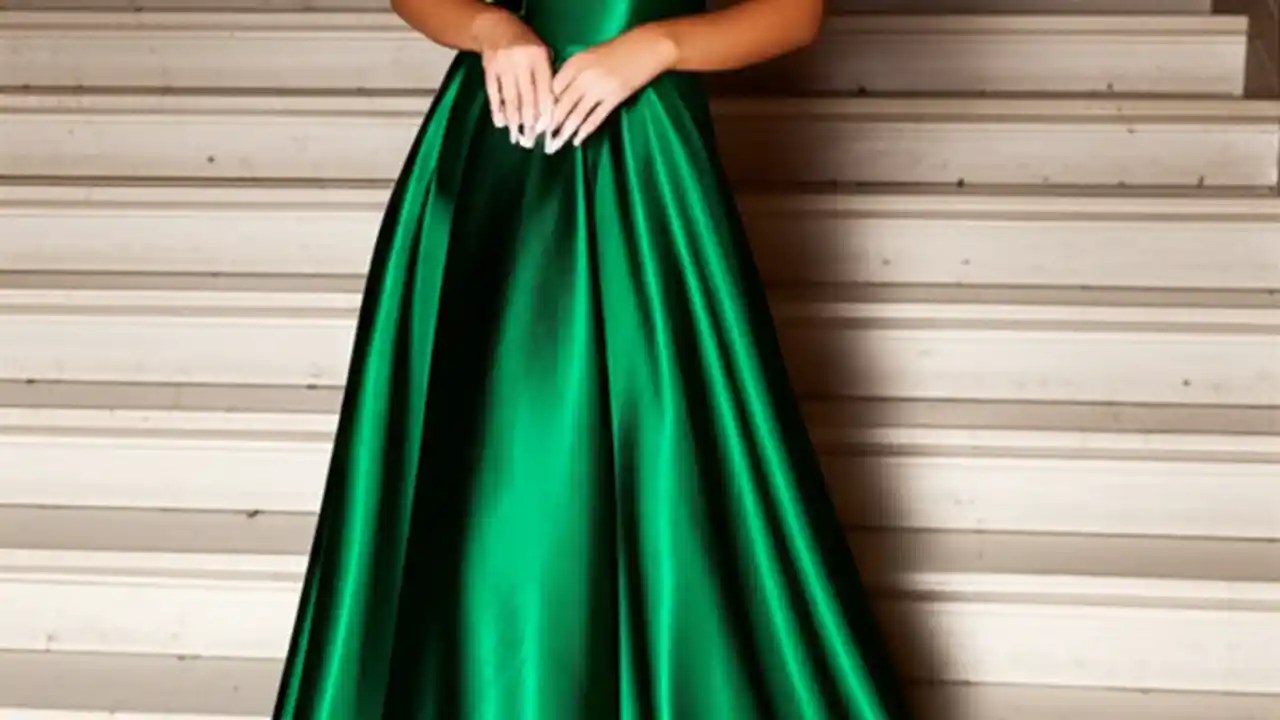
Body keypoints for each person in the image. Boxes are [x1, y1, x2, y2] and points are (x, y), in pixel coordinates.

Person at [272, 0, 913, 717]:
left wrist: (657, 46)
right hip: (505, 146)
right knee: (498, 484)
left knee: (666, 466)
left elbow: (797, 14)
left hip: (645, 160)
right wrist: (494, 30)